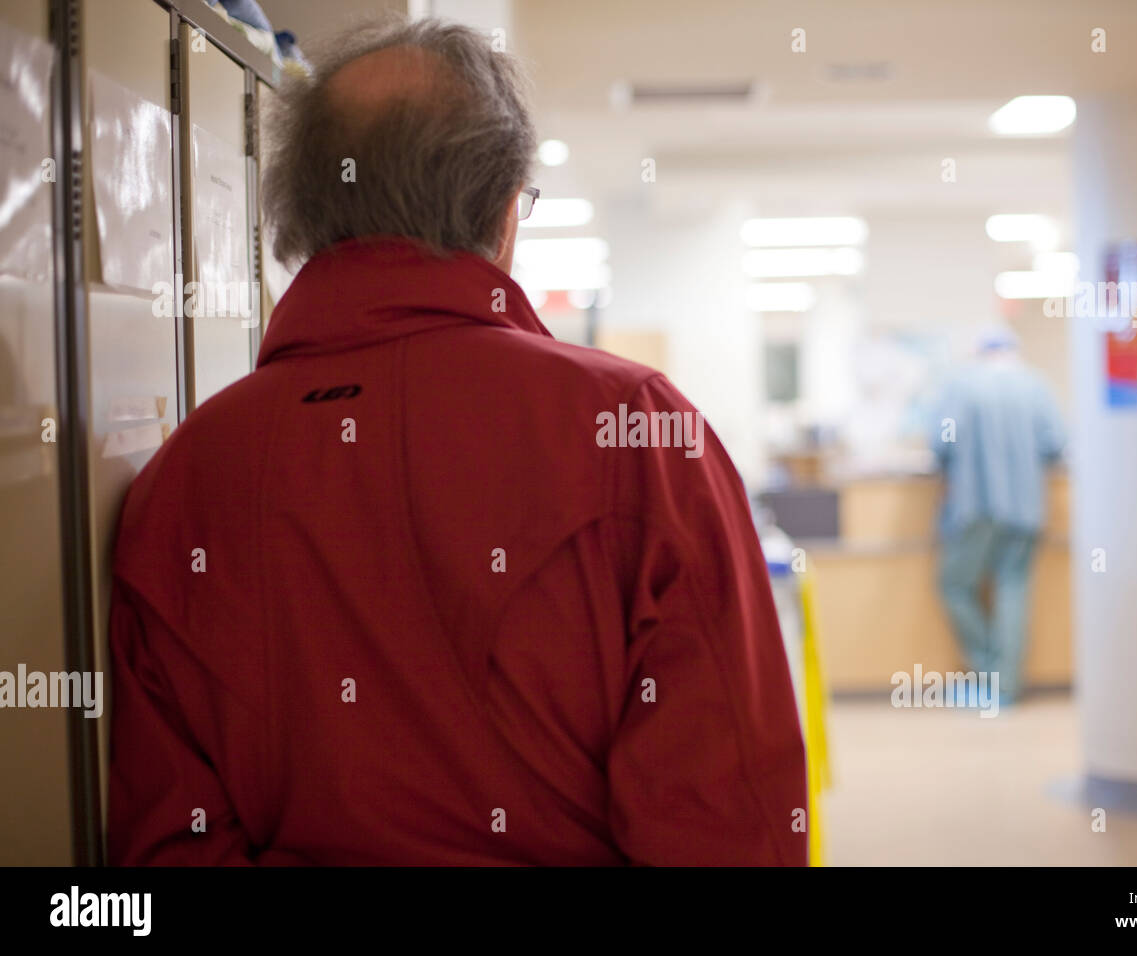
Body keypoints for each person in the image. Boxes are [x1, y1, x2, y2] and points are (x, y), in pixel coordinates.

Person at [107, 17, 806, 865]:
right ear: (505, 215)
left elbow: (166, 846)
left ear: (299, 220)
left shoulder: (182, 478)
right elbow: (727, 826)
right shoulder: (638, 436)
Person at [930, 325, 1066, 706]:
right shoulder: (1035, 386)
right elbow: (1055, 443)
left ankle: (987, 672)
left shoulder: (962, 386)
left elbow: (942, 442)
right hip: (1026, 506)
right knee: (1013, 587)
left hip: (976, 505)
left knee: (955, 585)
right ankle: (1005, 687)